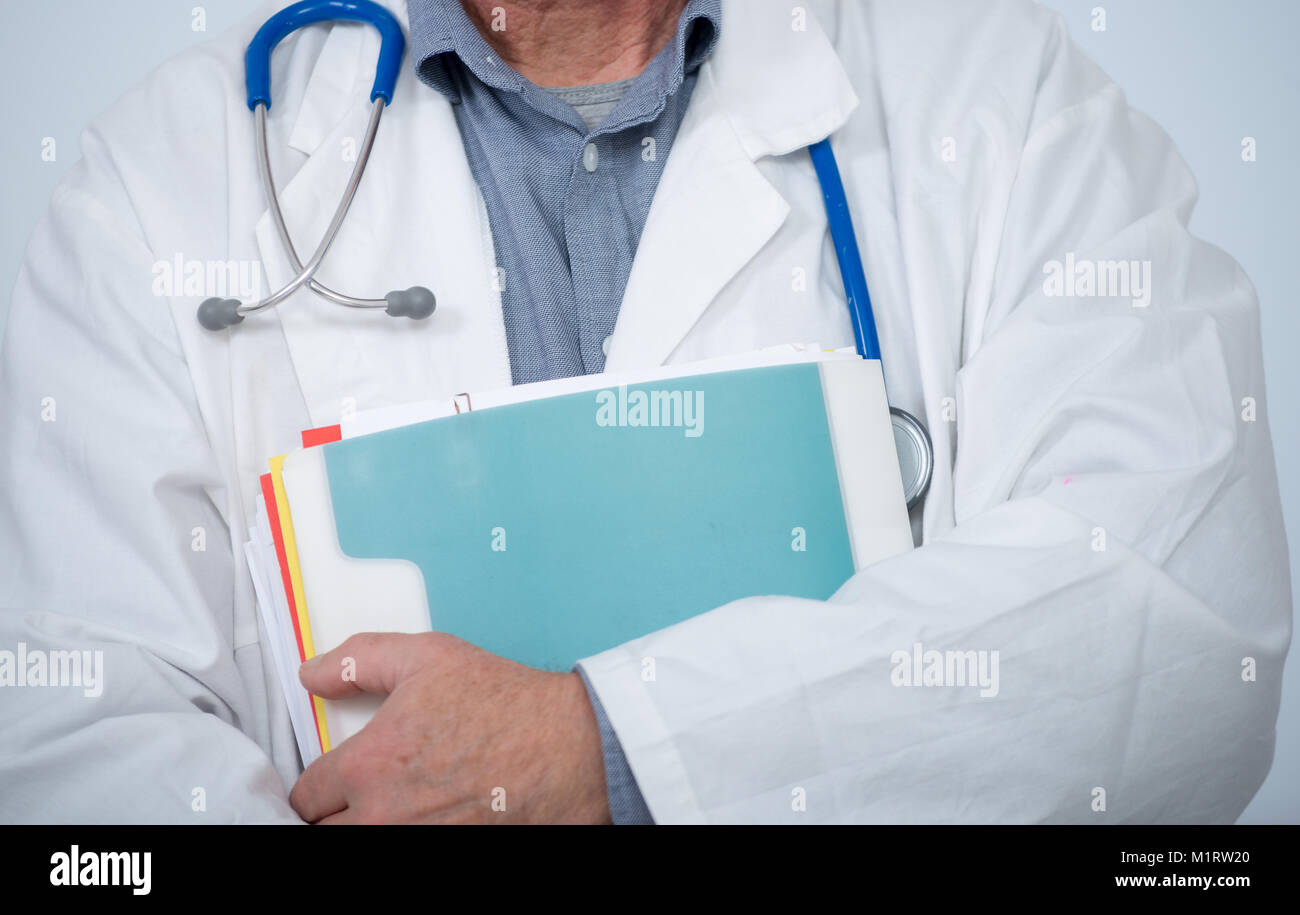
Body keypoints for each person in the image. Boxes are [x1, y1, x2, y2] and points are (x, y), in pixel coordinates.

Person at [0, 0, 1289, 824]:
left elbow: (1174, 612)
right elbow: (68, 721)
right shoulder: (165, 180)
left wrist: (608, 751)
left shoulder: (1003, 109)